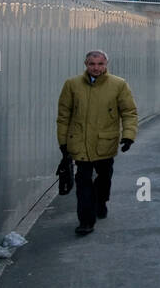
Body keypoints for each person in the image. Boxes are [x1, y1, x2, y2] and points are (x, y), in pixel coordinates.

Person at [57, 50, 138, 235]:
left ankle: (101, 201)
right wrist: (63, 142)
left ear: (106, 65)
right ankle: (86, 221)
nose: (96, 68)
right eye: (92, 64)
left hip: (105, 143)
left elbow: (129, 112)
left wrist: (128, 136)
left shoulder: (118, 85)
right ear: (86, 64)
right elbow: (63, 116)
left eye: (100, 64)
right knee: (83, 181)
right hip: (80, 143)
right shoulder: (72, 85)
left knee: (104, 178)